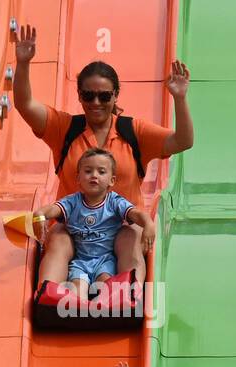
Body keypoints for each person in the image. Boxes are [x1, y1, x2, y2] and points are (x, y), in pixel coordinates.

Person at [13, 24, 193, 285]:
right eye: (88, 95)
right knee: (58, 239)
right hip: (75, 231)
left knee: (130, 238)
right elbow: (24, 105)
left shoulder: (134, 131)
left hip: (120, 230)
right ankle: (50, 296)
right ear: (79, 95)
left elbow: (183, 141)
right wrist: (23, 63)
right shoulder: (64, 128)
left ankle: (126, 294)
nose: (95, 102)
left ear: (115, 95)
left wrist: (179, 98)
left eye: (104, 95)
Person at [32, 149, 155, 300]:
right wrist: (40, 214)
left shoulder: (114, 202)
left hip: (106, 260)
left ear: (112, 180)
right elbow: (53, 209)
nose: (94, 175)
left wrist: (148, 223)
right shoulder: (72, 202)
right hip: (80, 261)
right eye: (88, 171)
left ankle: (108, 305)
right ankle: (73, 307)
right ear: (78, 178)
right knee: (77, 287)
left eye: (101, 172)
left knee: (105, 284)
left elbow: (135, 214)